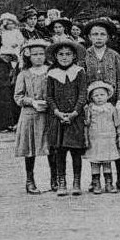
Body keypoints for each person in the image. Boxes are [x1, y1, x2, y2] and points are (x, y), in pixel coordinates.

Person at [46, 39, 88, 196]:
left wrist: (74, 113)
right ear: (56, 56)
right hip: (57, 117)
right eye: (61, 54)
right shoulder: (52, 74)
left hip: (75, 117)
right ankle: (61, 181)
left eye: (68, 54)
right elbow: (49, 96)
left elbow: (83, 94)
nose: (64, 57)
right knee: (60, 151)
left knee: (76, 151)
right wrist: (57, 112)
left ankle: (76, 182)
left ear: (74, 56)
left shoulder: (79, 72)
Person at [14, 39, 54, 194]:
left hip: (48, 115)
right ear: (29, 56)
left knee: (51, 147)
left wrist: (49, 103)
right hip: (30, 115)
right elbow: (18, 97)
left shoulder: (51, 71)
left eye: (42, 54)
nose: (38, 57)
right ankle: (30, 180)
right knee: (30, 148)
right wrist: (31, 102)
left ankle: (55, 179)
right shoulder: (24, 74)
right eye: (35, 54)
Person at [83, 81, 120, 194]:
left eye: (102, 95)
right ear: (91, 97)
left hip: (108, 139)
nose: (99, 98)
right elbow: (86, 125)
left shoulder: (111, 108)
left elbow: (118, 123)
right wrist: (86, 139)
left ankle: (109, 183)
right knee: (95, 162)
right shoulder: (90, 109)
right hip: (94, 139)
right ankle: (96, 183)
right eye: (96, 95)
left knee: (107, 161)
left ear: (107, 96)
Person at [0, 45, 20, 132]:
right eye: (8, 56)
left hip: (3, 88)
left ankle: (6, 124)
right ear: (3, 55)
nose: (9, 58)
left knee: (5, 106)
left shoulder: (5, 62)